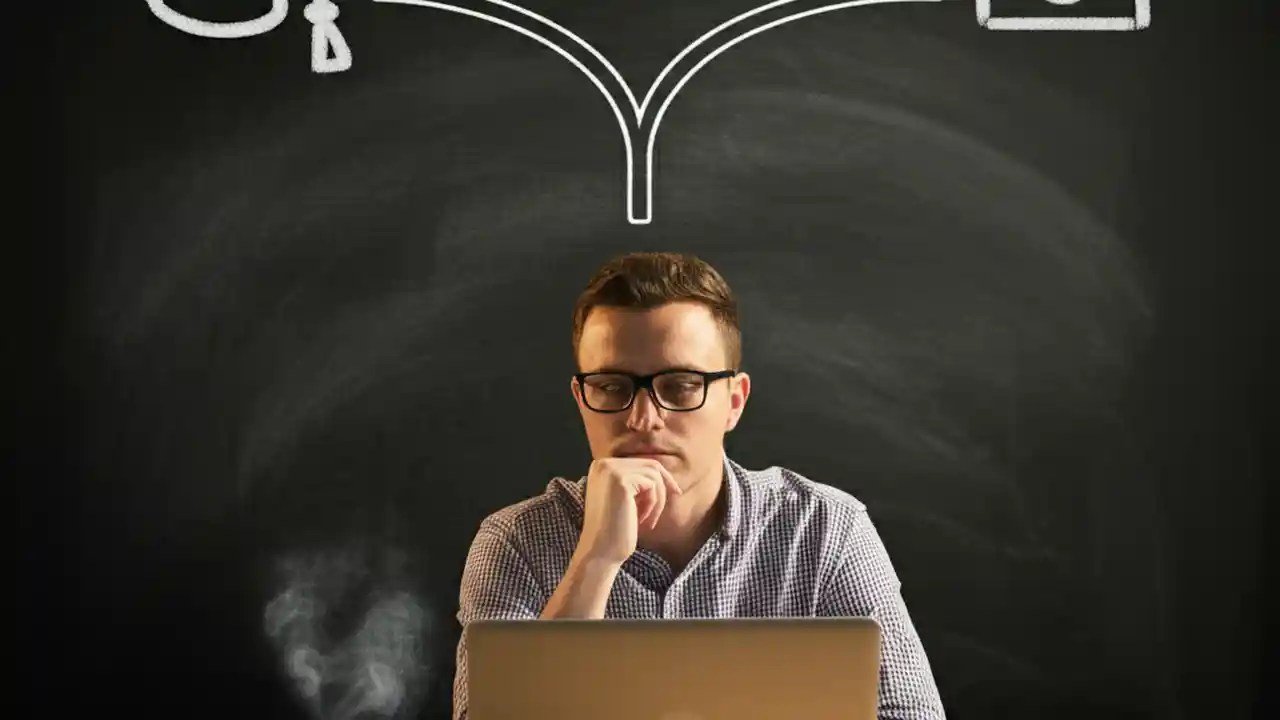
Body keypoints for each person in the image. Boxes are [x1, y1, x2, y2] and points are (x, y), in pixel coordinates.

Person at [451, 251, 945, 719]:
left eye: (682, 385)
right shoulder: (514, 543)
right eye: (611, 387)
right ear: (582, 400)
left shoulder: (824, 531)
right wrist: (595, 560)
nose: (644, 419)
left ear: (734, 401)